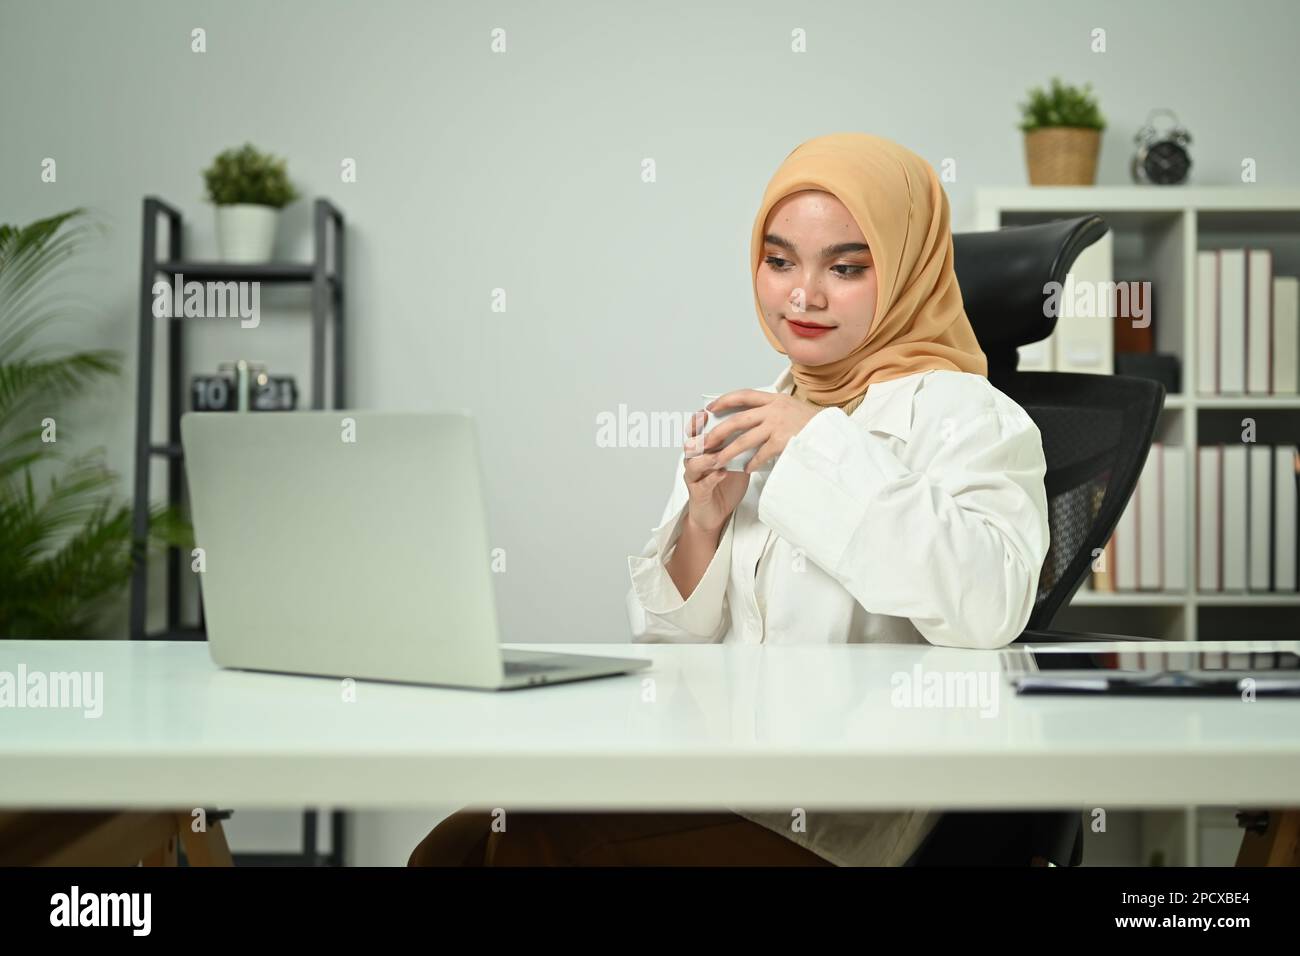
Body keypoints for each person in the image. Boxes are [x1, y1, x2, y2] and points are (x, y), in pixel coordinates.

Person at [408, 132, 1051, 867]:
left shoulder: (968, 416)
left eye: (845, 267)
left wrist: (820, 447)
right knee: (455, 845)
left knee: (534, 842)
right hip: (722, 777)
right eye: (779, 262)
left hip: (844, 817)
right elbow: (671, 653)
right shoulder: (760, 406)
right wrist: (703, 529)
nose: (802, 295)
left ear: (909, 272)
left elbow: (990, 605)